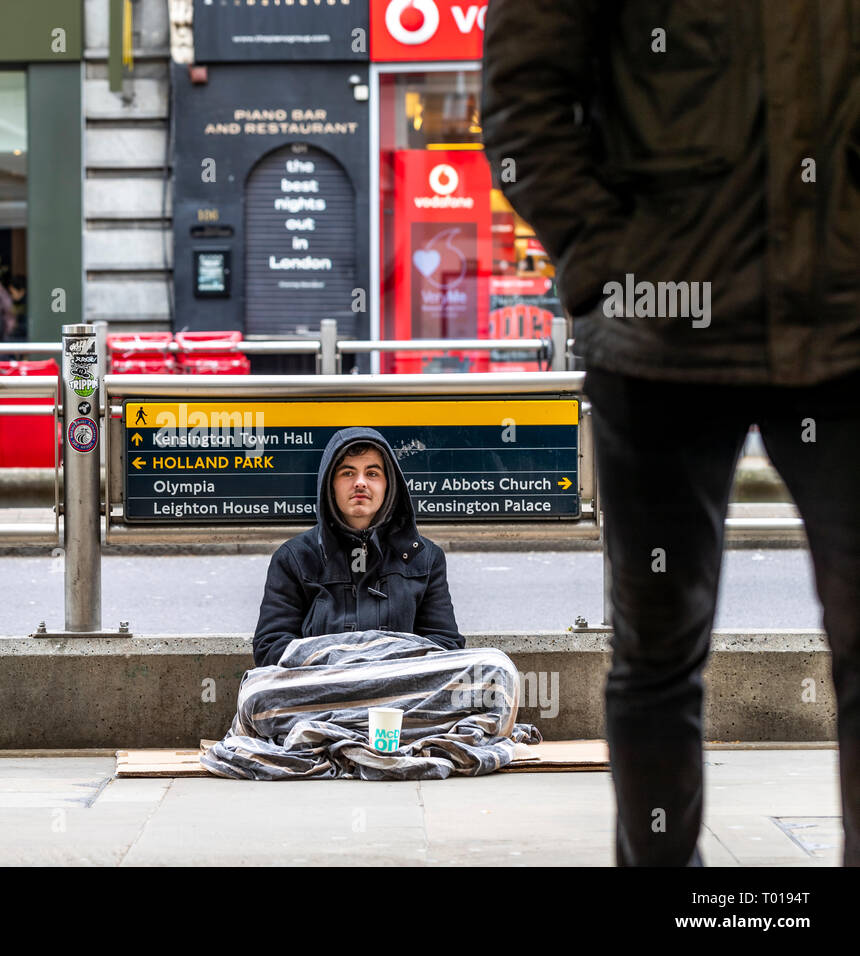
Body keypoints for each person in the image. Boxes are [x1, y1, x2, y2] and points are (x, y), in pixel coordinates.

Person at [482, 1, 860, 865]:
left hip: (846, 331)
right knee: (657, 653)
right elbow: (522, 101)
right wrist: (607, 270)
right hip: (660, 337)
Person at [253, 427, 464, 667]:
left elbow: (446, 644)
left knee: (495, 663)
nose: (360, 483)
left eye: (372, 473)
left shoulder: (424, 558)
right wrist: (347, 664)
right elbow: (270, 647)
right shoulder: (295, 557)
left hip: (399, 697)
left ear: (389, 485)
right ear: (330, 484)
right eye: (347, 473)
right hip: (321, 695)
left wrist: (379, 664)